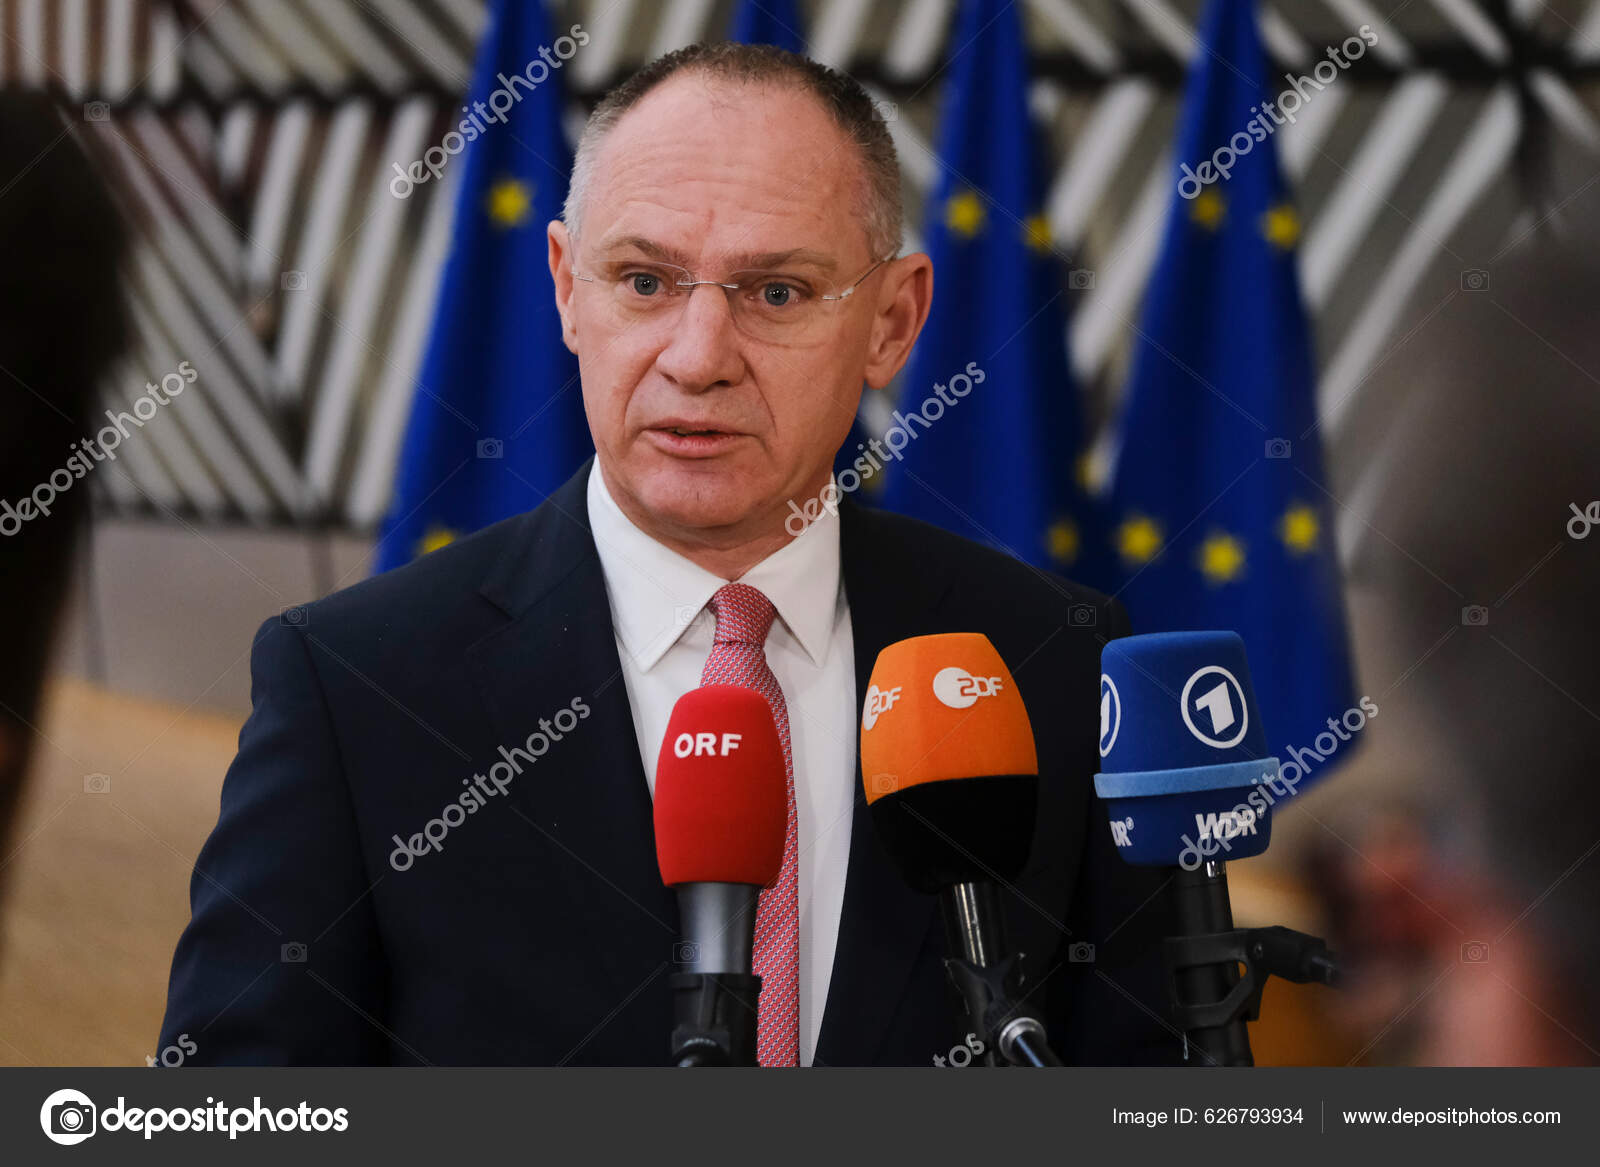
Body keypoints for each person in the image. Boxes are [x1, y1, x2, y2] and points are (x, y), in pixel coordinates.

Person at [157, 43, 1178, 1066]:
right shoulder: (356, 686)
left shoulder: (1050, 661)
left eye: (775, 293)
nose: (696, 358)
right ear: (565, 288)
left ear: (892, 320)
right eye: (644, 280)